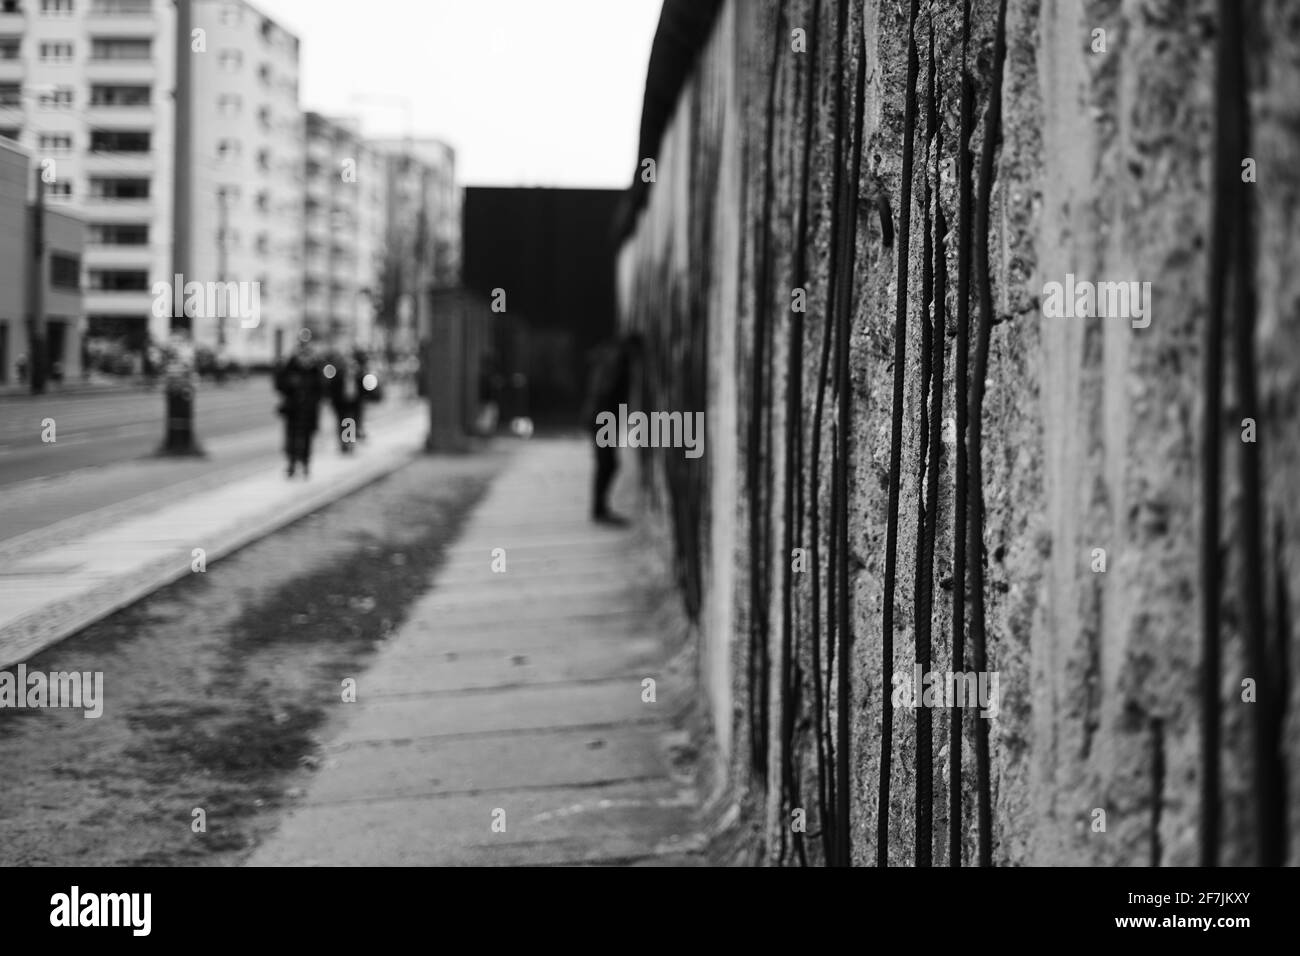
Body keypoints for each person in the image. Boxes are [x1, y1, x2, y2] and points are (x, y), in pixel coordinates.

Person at [582, 332, 643, 524]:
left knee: (606, 464)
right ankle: (599, 509)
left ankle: (599, 508)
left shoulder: (610, 356)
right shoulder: (618, 361)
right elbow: (607, 392)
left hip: (599, 416)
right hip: (603, 417)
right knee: (607, 464)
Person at [275, 334, 323, 478]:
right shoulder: (290, 365)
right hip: (293, 409)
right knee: (291, 436)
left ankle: (348, 442)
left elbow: (323, 387)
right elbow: (279, 384)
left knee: (307, 437)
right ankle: (292, 462)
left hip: (310, 409)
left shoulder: (316, 367)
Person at [327, 348, 363, 453]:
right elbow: (333, 389)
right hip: (341, 403)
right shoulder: (339, 375)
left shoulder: (357, 375)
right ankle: (343, 443)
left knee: (350, 423)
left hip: (353, 403)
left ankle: (349, 443)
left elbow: (362, 389)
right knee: (342, 423)